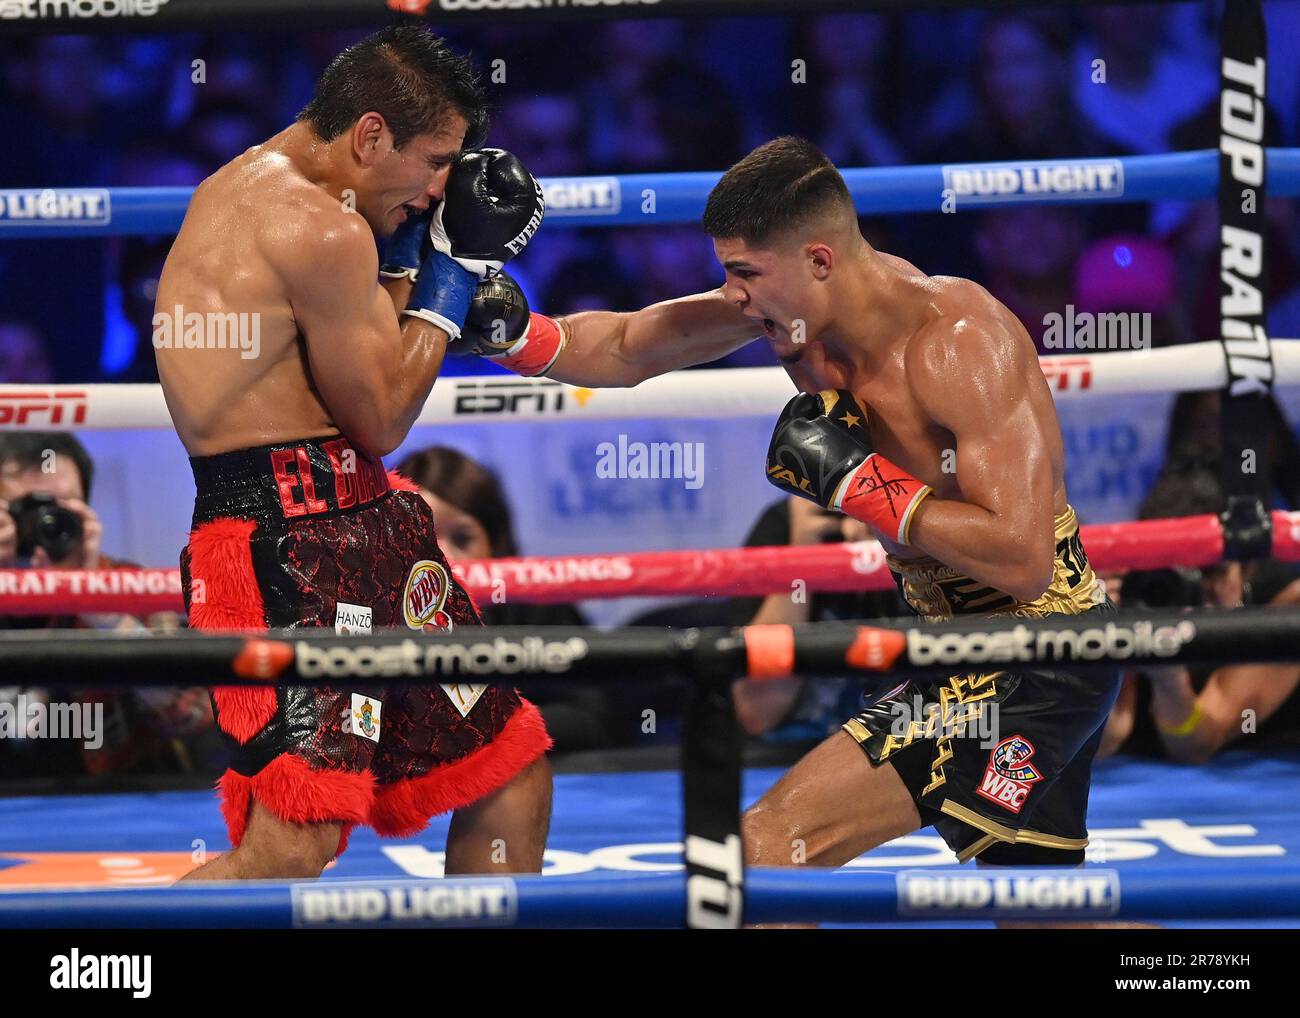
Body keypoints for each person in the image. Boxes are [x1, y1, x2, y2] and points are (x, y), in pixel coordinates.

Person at [482, 137, 1119, 886]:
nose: (734, 294)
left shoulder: (956, 344)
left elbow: (1021, 558)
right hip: (958, 642)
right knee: (1049, 912)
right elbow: (627, 345)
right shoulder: (791, 319)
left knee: (764, 848)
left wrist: (857, 483)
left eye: (746, 272)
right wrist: (514, 335)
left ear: (820, 260)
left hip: (1037, 649)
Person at [155, 27, 552, 881]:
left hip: (364, 522)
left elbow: (359, 356)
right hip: (281, 550)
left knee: (507, 769)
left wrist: (408, 248)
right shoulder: (316, 230)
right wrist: (454, 270)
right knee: (293, 841)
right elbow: (381, 415)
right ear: (370, 135)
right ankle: (103, 958)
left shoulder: (266, 192)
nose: (444, 185)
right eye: (437, 160)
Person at [394, 446, 611, 753]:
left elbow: (594, 719)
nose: (442, 557)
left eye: (461, 539)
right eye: (423, 538)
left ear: (495, 544)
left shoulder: (538, 608)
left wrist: (483, 735)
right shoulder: (371, 612)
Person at [726, 496, 904, 742]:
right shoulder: (791, 522)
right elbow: (757, 713)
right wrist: (801, 561)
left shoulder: (917, 520)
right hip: (791, 750)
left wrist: (894, 556)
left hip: (900, 745)